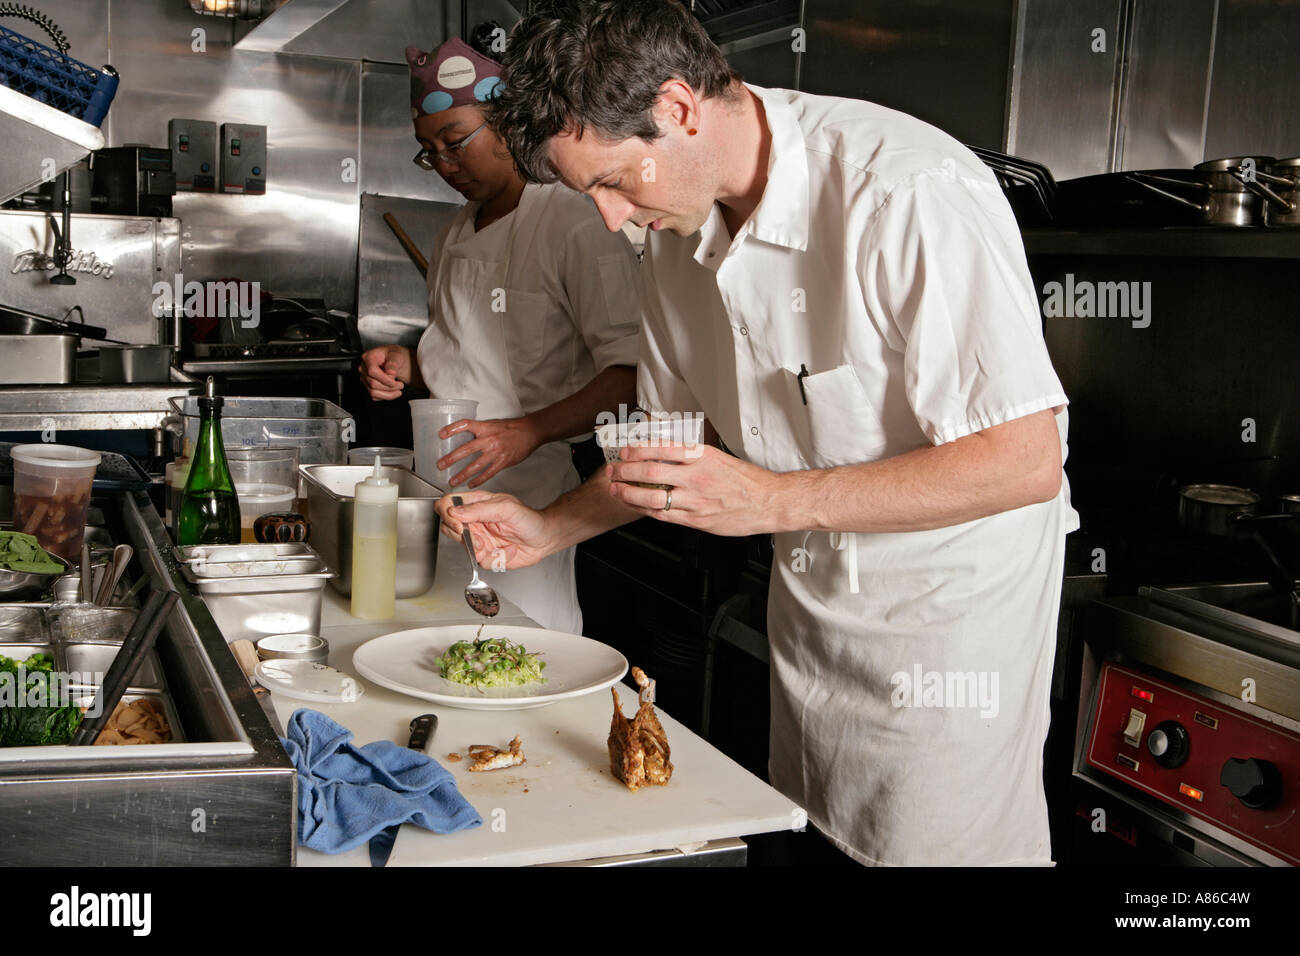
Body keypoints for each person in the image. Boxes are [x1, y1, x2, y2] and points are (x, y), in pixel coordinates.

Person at [436, 0, 1080, 866]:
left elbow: (1025, 459)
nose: (611, 218)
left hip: (945, 632)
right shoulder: (674, 236)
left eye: (615, 181)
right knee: (811, 839)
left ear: (678, 108)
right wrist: (554, 526)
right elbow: (671, 434)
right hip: (813, 618)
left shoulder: (905, 190)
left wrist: (772, 497)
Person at [358, 25, 643, 634]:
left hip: (533, 499)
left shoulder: (576, 219)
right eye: (428, 150)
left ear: (510, 121)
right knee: (438, 652)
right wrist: (409, 365)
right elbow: (466, 351)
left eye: (456, 141)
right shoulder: (457, 230)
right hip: (444, 491)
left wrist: (528, 431)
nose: (443, 164)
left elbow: (631, 374)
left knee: (523, 658)